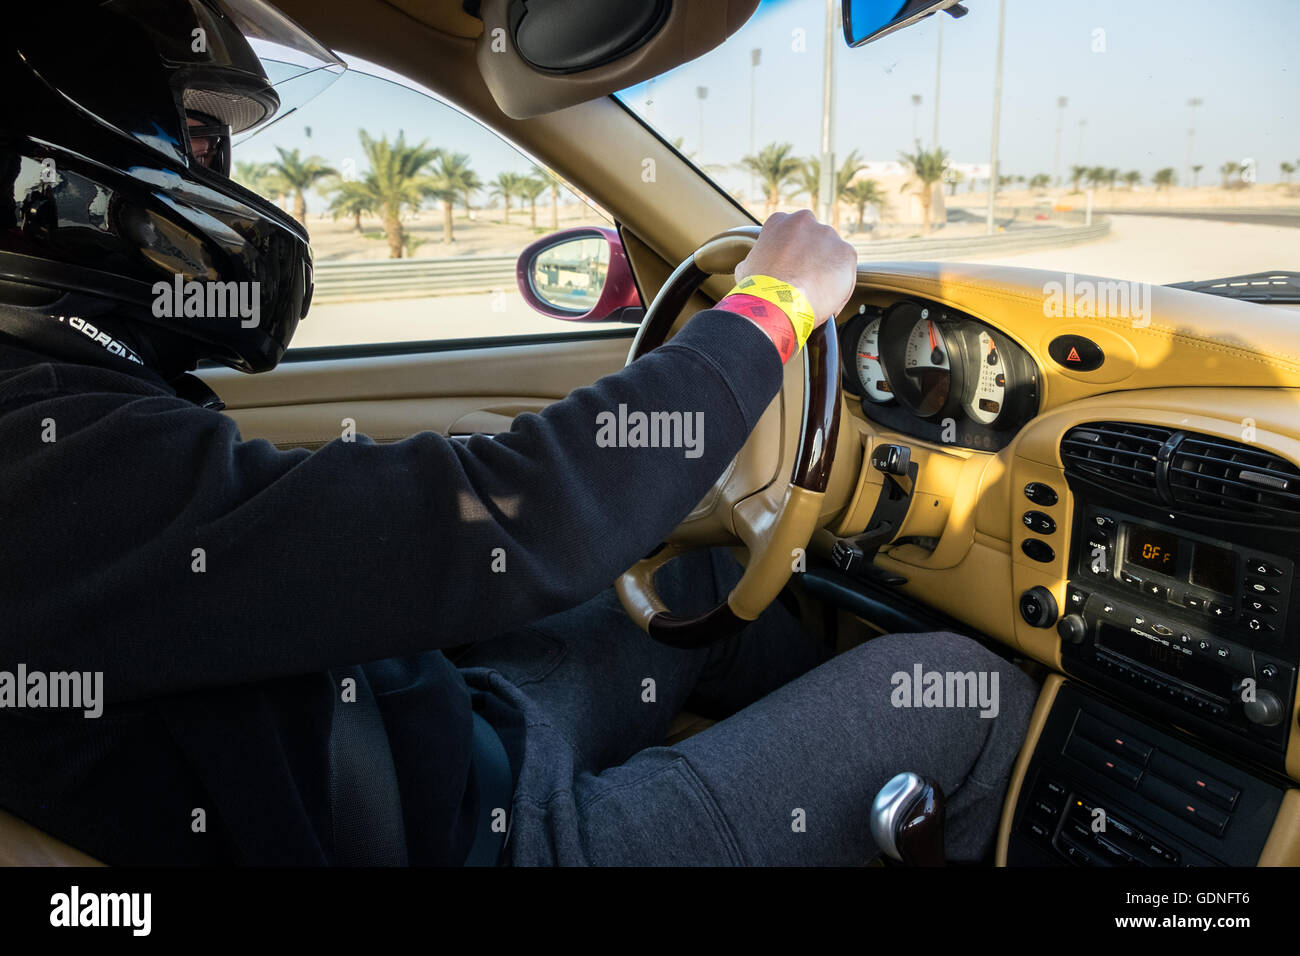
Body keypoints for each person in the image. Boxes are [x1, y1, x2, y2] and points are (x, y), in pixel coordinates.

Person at [0, 0, 1036, 866]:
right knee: (964, 688)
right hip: (492, 844)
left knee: (690, 590)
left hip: (432, 745)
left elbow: (349, 545)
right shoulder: (40, 453)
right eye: (196, 134)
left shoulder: (68, 399)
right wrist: (770, 308)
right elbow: (511, 514)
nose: (218, 173)